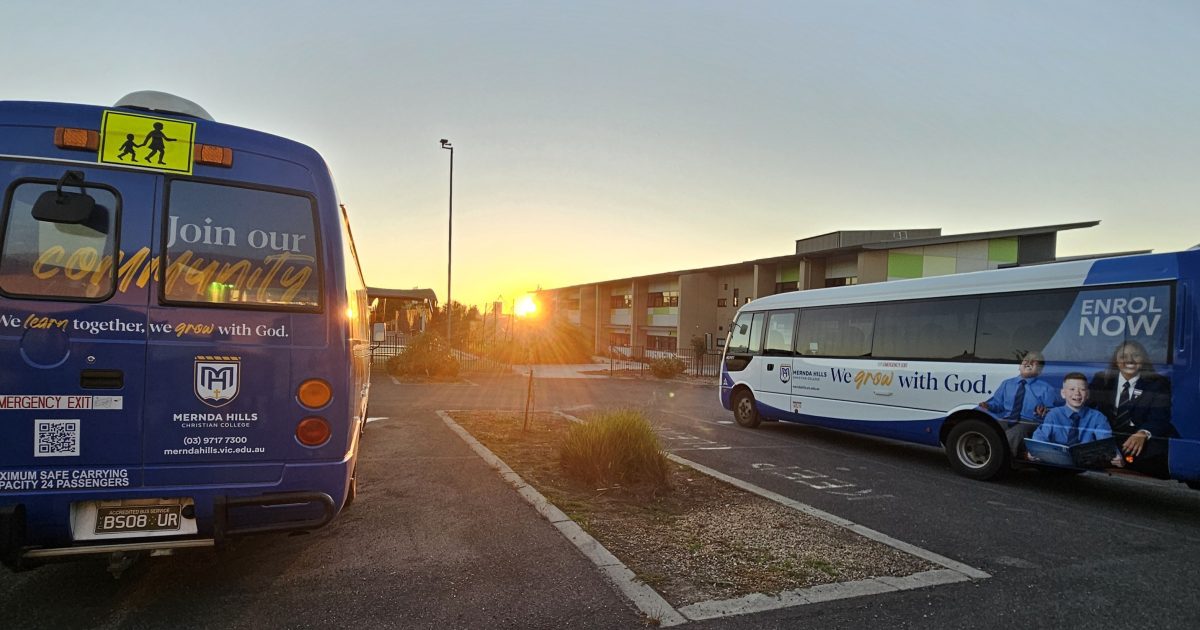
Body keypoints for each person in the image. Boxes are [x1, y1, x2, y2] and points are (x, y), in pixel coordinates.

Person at [1089, 340, 1175, 478]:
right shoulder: (1102, 379)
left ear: (1144, 360)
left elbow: (1160, 418)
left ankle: (1120, 460)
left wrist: (1143, 433)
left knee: (1158, 455)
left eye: (1136, 355)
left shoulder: (1158, 383)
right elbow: (1085, 406)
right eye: (1123, 356)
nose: (1129, 360)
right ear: (1116, 361)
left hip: (1140, 434)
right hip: (1112, 433)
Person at [979, 351, 1060, 454]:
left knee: (1017, 432)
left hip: (1030, 421)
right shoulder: (1007, 384)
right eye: (1026, 360)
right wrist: (988, 406)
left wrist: (1045, 412)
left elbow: (1053, 412)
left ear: (1040, 370)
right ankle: (986, 453)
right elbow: (998, 405)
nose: (1029, 363)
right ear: (1019, 366)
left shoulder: (1046, 388)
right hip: (1007, 419)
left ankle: (1001, 458)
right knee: (991, 427)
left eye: (1034, 362)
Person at [1029, 372, 1112, 451]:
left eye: (1082, 389)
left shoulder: (1098, 417)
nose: (1077, 393)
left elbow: (1106, 442)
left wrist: (1114, 455)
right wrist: (1035, 450)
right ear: (1063, 393)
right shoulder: (1053, 414)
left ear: (1087, 394)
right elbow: (1040, 437)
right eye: (1072, 389)